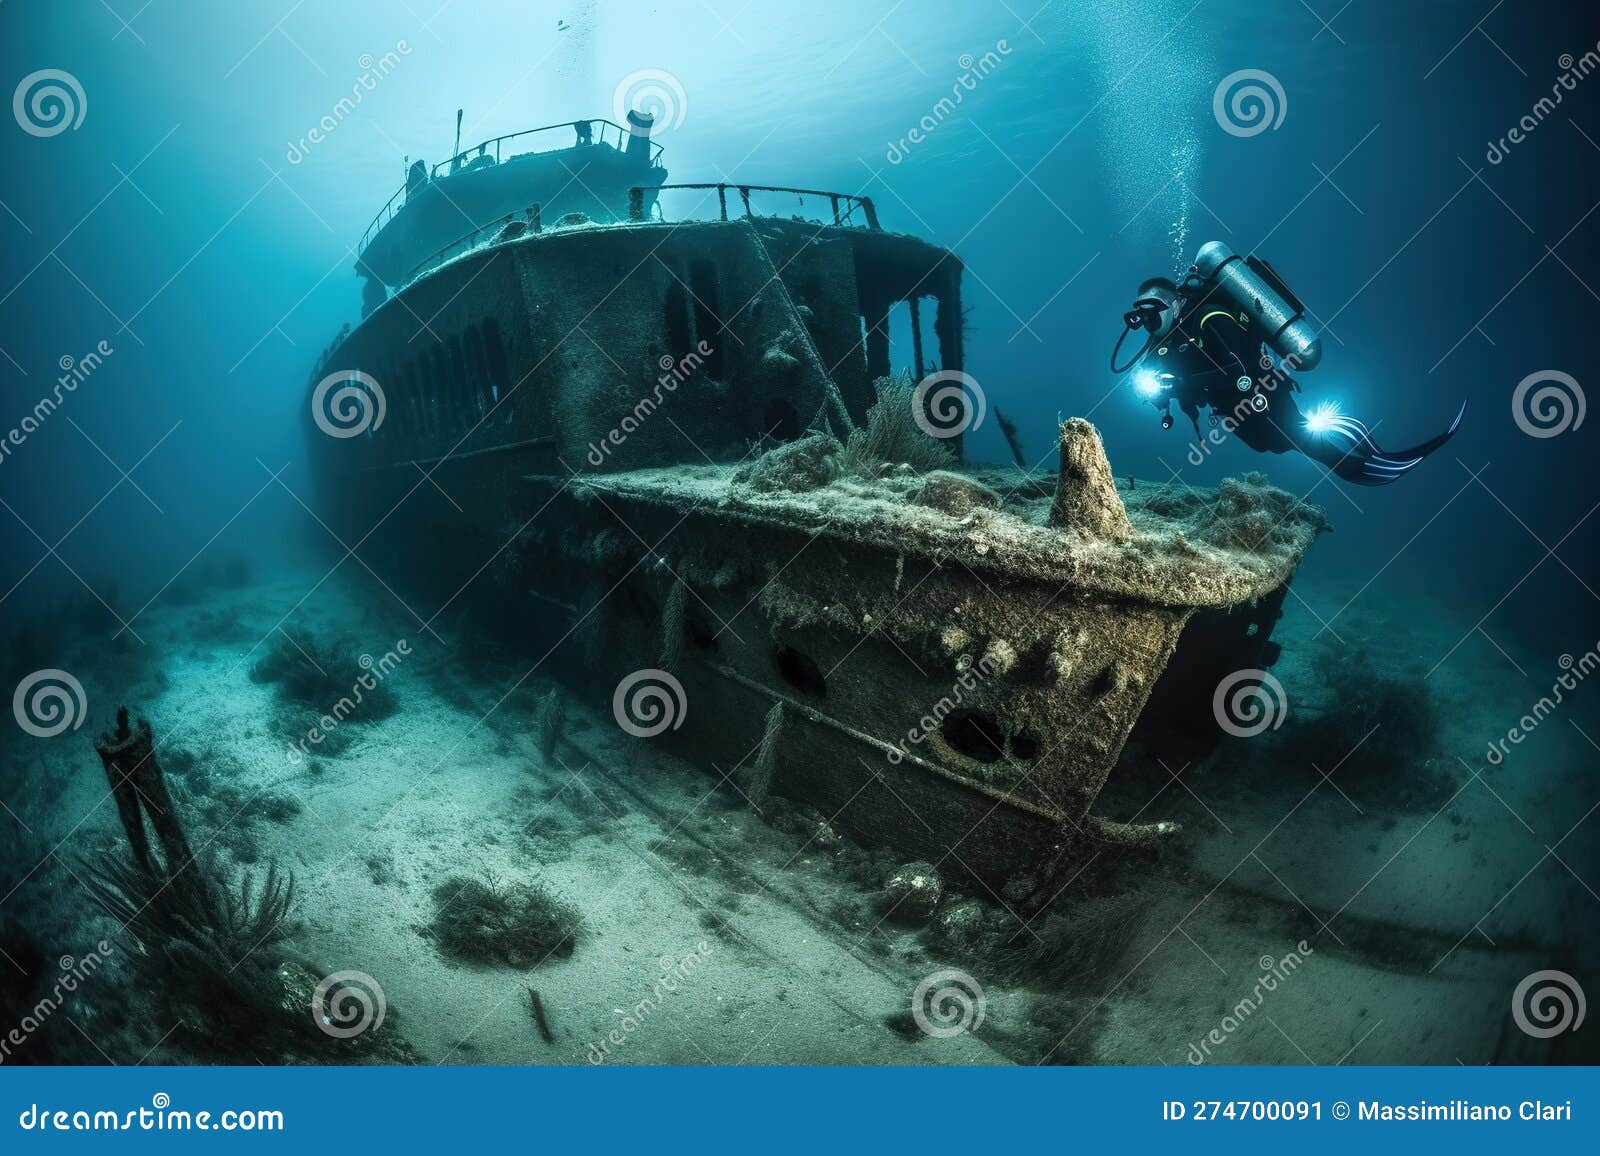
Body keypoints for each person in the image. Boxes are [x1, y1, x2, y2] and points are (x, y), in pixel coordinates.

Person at [1112, 242, 1464, 485]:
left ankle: (1368, 461)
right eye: (1141, 311)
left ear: (1174, 302)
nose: (1146, 318)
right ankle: (1358, 456)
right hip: (1234, 410)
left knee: (1301, 438)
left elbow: (1238, 373)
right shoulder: (1165, 341)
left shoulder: (1208, 317)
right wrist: (1161, 393)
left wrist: (1180, 385)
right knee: (1276, 446)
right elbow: (1175, 385)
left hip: (1261, 393)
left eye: (1154, 305)